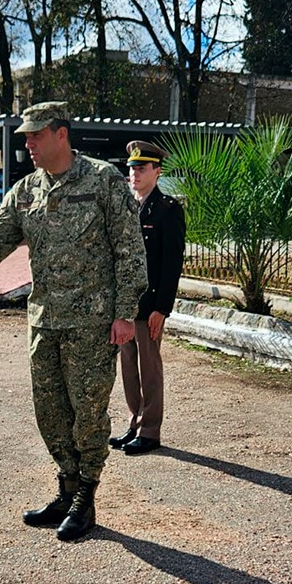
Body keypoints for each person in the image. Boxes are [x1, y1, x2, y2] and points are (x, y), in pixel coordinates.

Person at [0, 102, 147, 542]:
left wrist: (126, 314)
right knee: (49, 411)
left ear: (60, 134)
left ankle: (86, 496)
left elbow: (130, 250)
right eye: (26, 136)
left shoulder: (103, 180)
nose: (28, 143)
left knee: (87, 412)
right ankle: (66, 488)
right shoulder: (26, 190)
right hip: (45, 320)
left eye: (35, 135)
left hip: (91, 323)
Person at [109, 140, 186, 456]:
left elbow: (171, 264)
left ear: (158, 171)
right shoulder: (127, 207)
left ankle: (150, 431)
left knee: (149, 368)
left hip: (150, 305)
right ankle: (135, 423)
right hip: (125, 306)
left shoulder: (168, 210)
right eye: (131, 169)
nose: (135, 174)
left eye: (141, 168)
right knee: (129, 366)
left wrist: (162, 309)